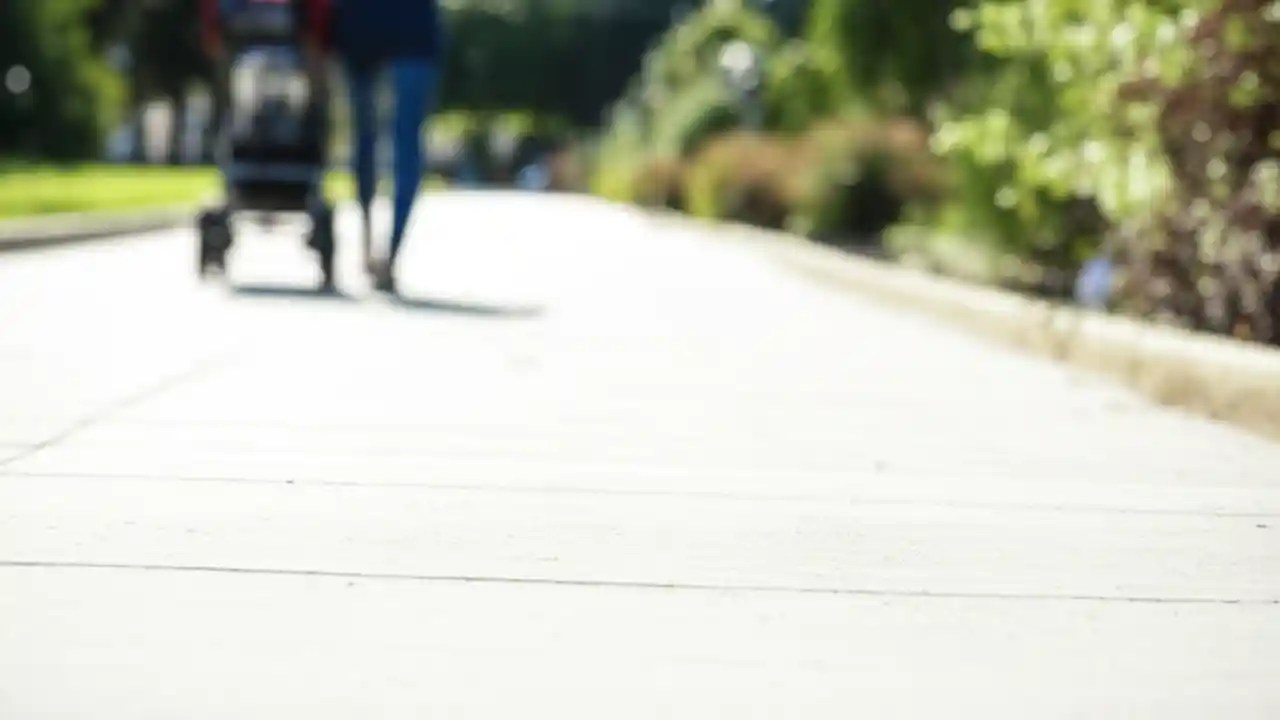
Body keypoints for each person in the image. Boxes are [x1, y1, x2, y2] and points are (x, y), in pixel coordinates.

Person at [330, 0, 443, 293]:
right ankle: (389, 254)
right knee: (404, 147)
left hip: (364, 25)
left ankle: (369, 242)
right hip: (411, 31)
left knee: (366, 142)